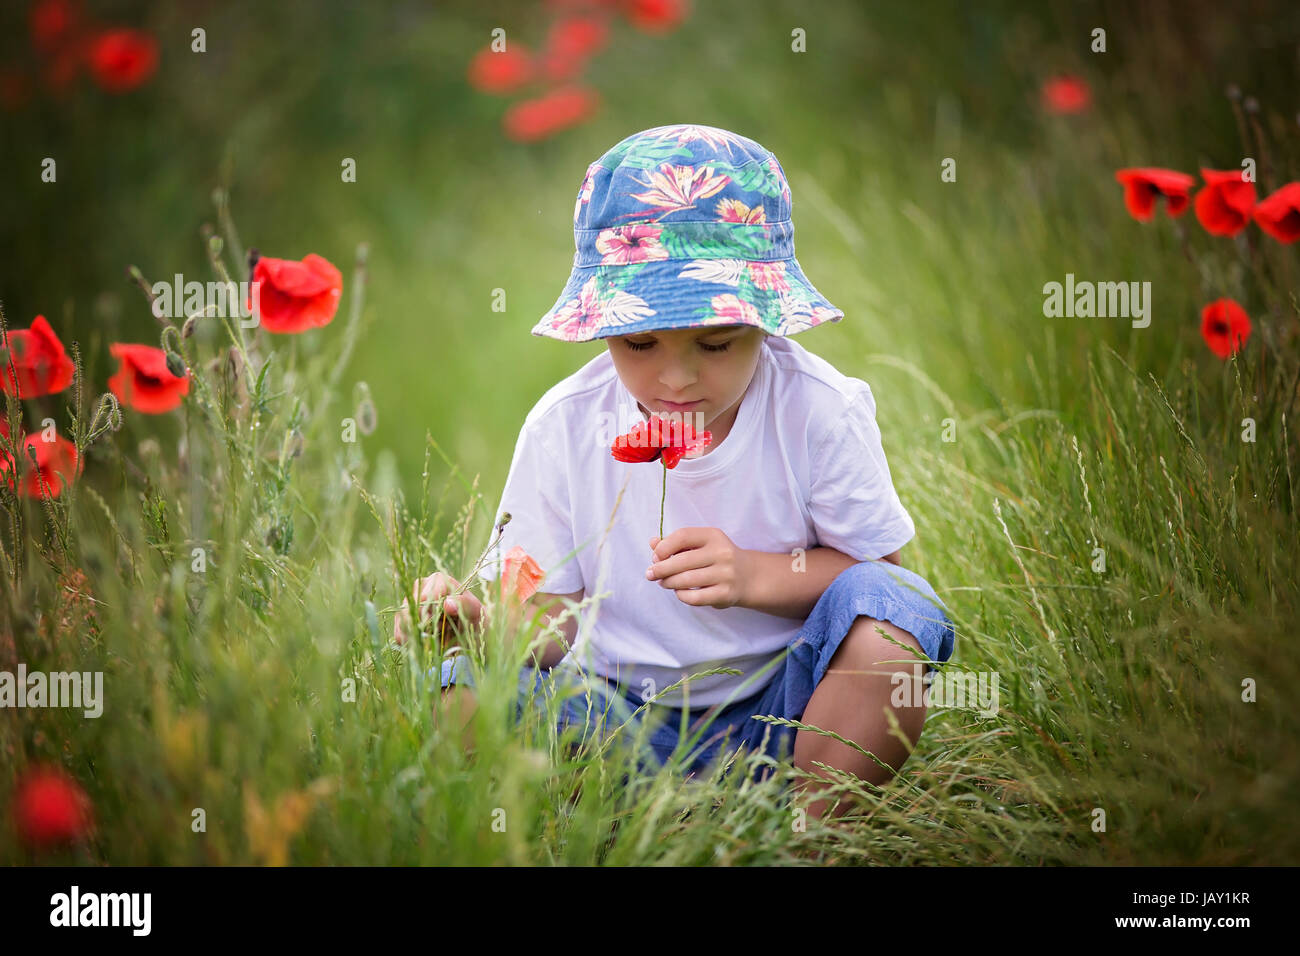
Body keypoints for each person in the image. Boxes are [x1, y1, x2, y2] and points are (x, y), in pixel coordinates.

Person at [395, 123, 956, 819]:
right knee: (457, 676)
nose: (677, 377)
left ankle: (808, 836)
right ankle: (586, 826)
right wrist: (483, 627)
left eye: (717, 342)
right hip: (610, 723)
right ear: (603, 327)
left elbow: (880, 578)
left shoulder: (818, 411)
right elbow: (551, 620)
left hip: (786, 716)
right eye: (639, 340)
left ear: (767, 320)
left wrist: (757, 575)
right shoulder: (566, 425)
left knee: (900, 619)